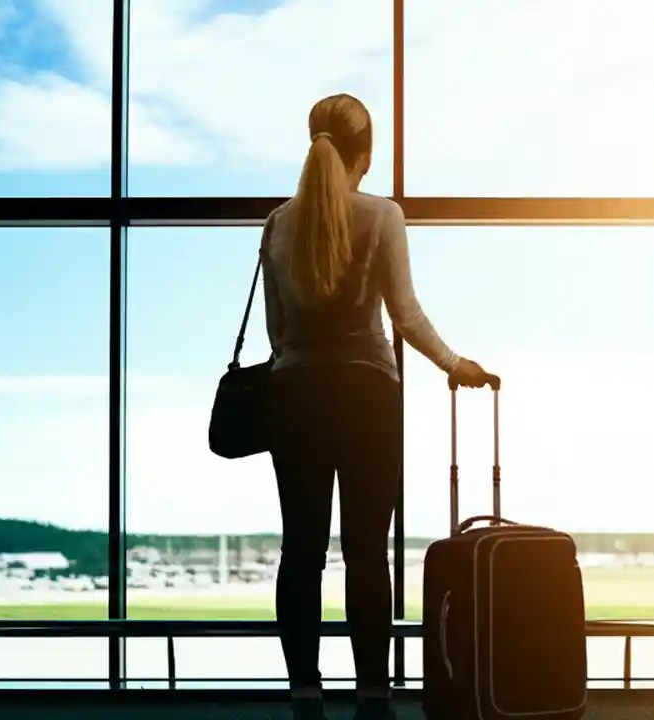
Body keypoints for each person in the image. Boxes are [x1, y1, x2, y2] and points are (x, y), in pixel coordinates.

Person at [260, 93, 494, 720]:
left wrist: (305, 363)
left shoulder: (280, 224)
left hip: (296, 397)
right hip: (366, 397)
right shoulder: (381, 216)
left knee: (300, 549)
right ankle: (372, 694)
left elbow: (276, 332)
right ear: (365, 153)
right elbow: (405, 314)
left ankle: (304, 692)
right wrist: (454, 364)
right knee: (366, 549)